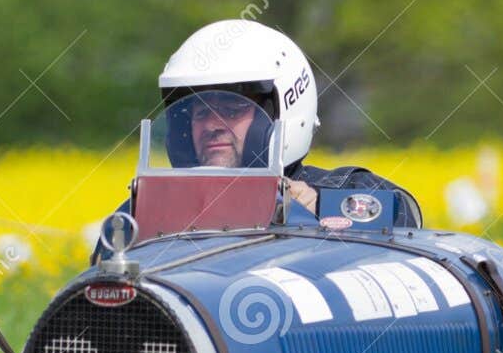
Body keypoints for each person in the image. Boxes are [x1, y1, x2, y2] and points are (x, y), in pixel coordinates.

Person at [153, 18, 420, 223]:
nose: (211, 126)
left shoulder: (346, 190)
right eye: (200, 113)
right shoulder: (154, 209)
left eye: (232, 109)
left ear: (283, 111)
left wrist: (324, 212)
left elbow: (403, 221)